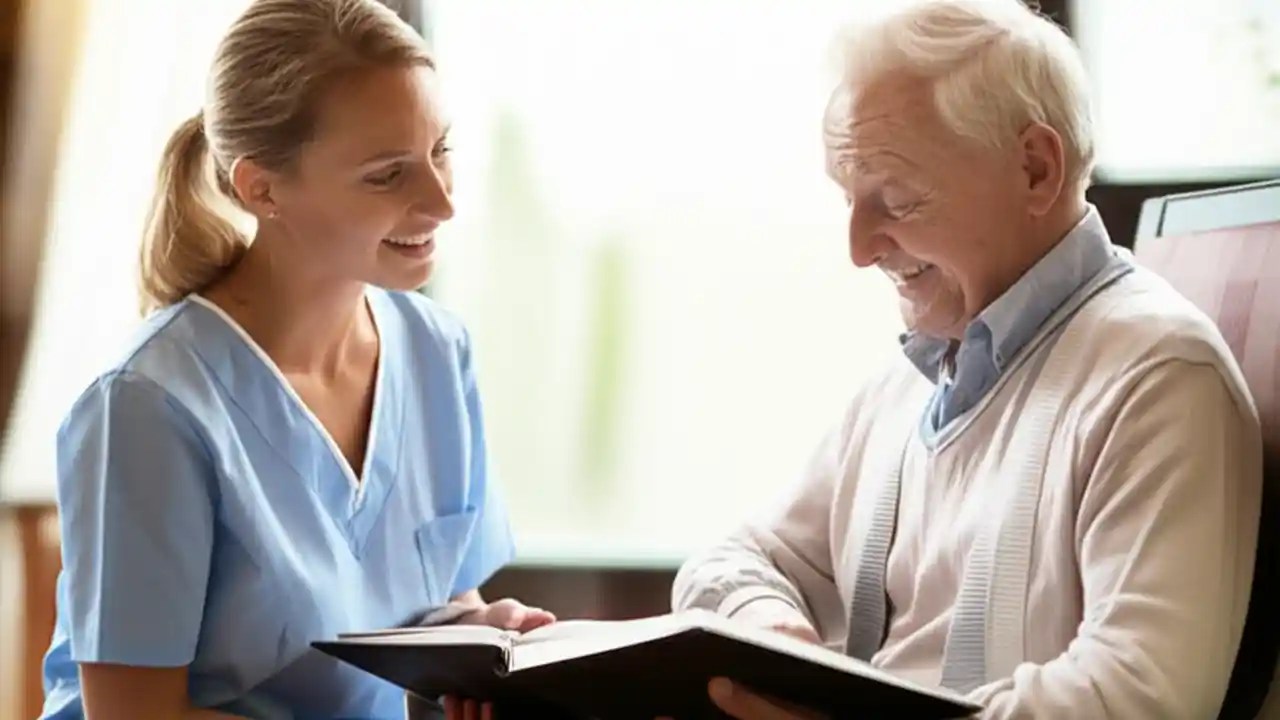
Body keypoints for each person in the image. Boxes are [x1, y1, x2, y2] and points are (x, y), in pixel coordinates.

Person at [670, 1, 1264, 718]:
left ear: (1036, 169)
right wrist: (770, 630)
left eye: (896, 197)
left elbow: (1139, 699)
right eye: (850, 200)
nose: (859, 250)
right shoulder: (905, 387)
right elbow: (730, 562)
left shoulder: (1157, 379)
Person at [38, 1, 554, 718]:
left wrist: (476, 636)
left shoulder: (439, 353)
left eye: (440, 151)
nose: (440, 202)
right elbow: (133, 714)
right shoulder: (148, 406)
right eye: (387, 174)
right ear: (262, 187)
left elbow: (439, 596)